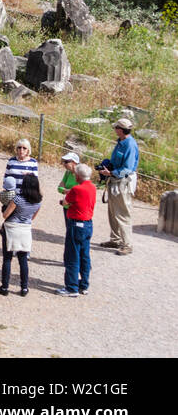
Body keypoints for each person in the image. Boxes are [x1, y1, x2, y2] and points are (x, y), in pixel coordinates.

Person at [98, 118, 140, 255]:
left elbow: (127, 168)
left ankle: (127, 244)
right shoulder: (121, 142)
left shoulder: (130, 145)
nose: (114, 129)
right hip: (114, 180)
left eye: (116, 127)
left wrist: (111, 173)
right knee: (112, 211)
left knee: (122, 213)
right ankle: (115, 239)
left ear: (120, 130)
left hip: (122, 182)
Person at [0, 174, 42, 296]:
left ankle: (5, 287)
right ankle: (24, 288)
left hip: (12, 228)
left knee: (7, 258)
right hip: (25, 230)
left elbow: (5, 215)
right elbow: (32, 218)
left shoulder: (17, 199)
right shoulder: (38, 202)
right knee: (23, 260)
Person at [58, 163, 96, 297]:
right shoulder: (92, 188)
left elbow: (66, 202)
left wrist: (63, 202)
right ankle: (83, 284)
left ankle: (71, 287)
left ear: (78, 176)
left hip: (76, 223)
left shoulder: (76, 189)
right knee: (84, 255)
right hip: (88, 224)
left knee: (72, 255)